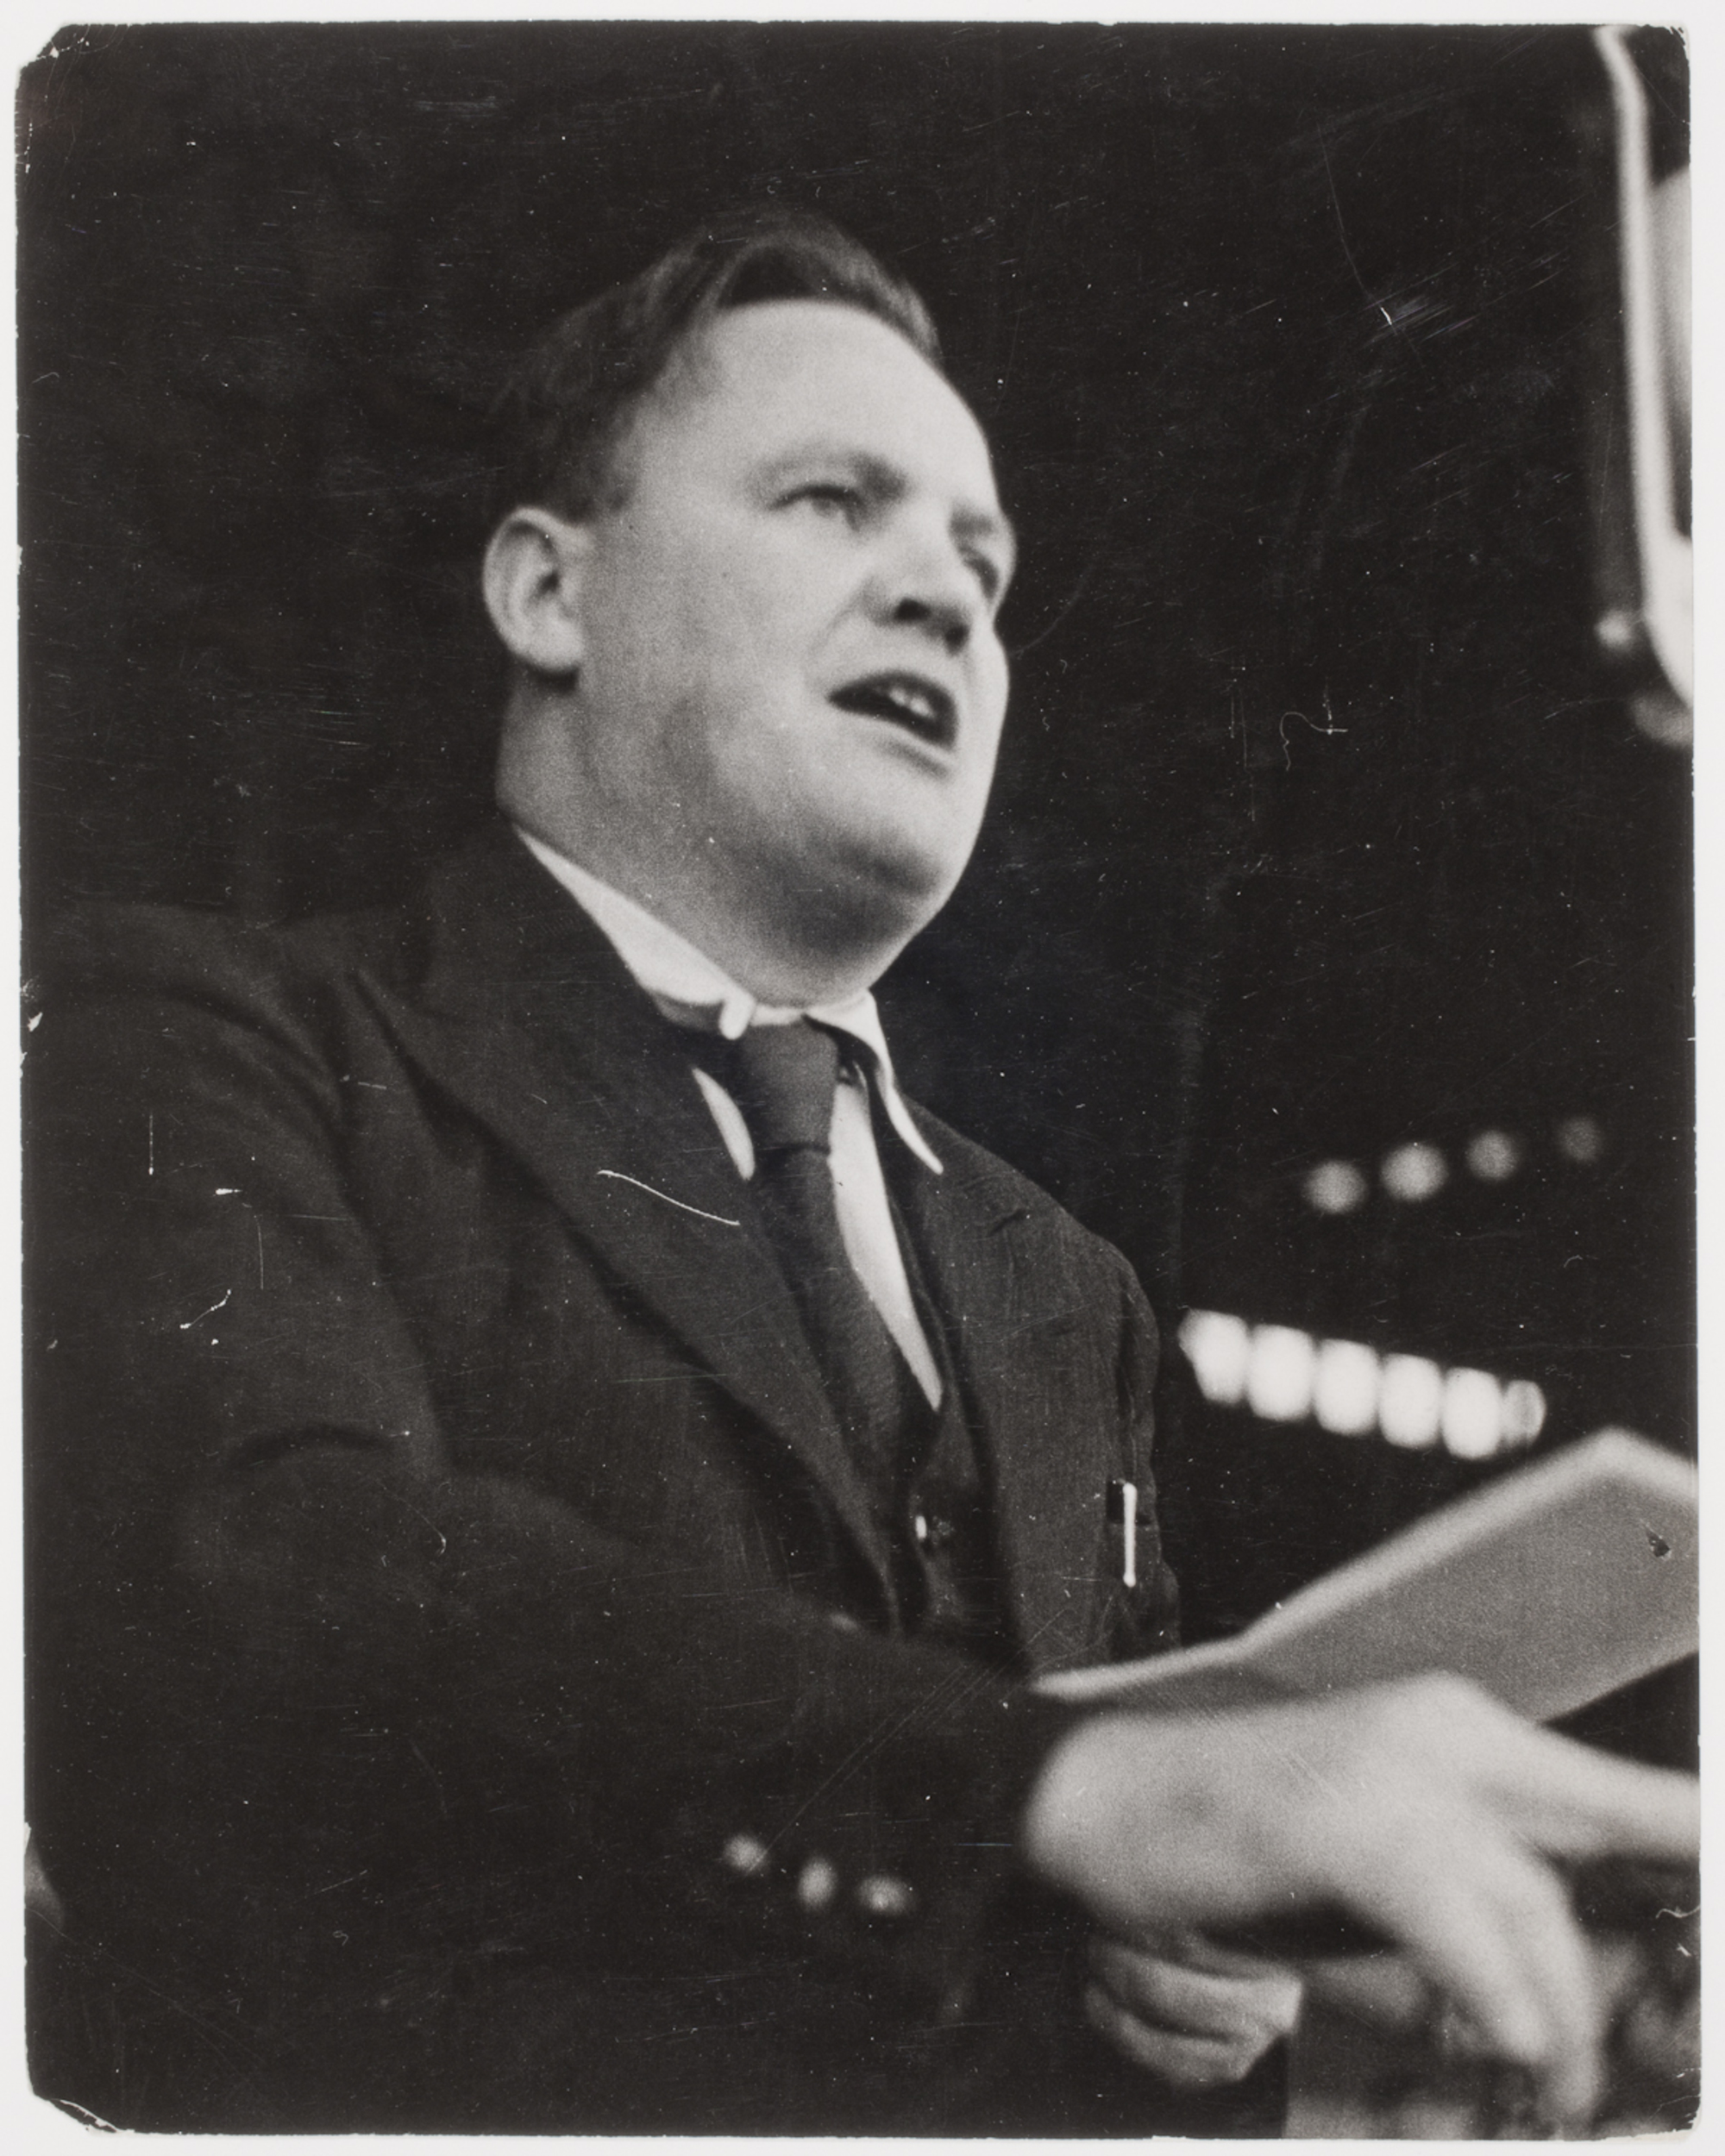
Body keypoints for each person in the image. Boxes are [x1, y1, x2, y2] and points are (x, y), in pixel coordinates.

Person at [28, 210, 1697, 2135]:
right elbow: (260, 1585)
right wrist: (1052, 1794)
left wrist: (1206, 1970)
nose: (948, 599)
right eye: (833, 503)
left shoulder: (1067, 1284)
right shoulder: (206, 1032)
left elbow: (1128, 1908)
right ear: (546, 592)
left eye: (981, 564)